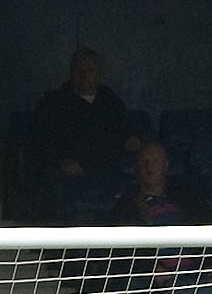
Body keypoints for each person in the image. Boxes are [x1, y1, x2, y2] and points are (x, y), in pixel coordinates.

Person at [32, 48, 140, 224]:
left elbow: (126, 130)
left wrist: (131, 138)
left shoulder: (110, 101)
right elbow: (43, 141)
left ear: (99, 74)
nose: (83, 75)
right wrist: (61, 161)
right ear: (71, 72)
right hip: (72, 173)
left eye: (89, 70)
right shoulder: (54, 103)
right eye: (79, 69)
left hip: (108, 170)